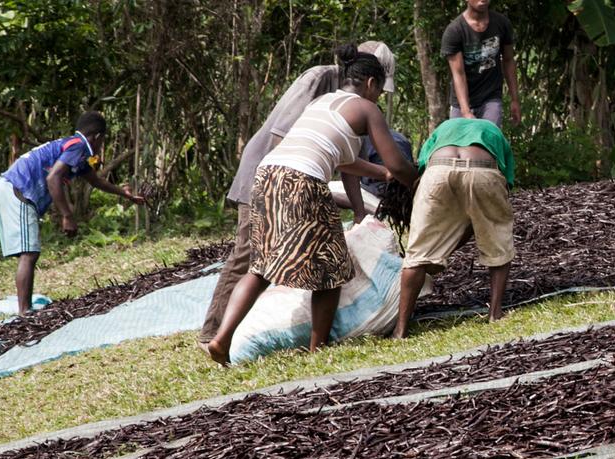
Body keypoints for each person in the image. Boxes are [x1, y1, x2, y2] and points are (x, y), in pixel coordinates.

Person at [202, 45, 416, 365]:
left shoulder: (322, 102)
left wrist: (378, 172)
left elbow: (344, 160)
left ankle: (221, 340)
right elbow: (398, 166)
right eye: (380, 90)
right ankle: (318, 350)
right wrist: (415, 180)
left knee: (262, 267)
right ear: (371, 83)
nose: (379, 97)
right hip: (302, 181)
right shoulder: (367, 109)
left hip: (267, 176)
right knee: (332, 269)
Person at [0, 111, 145, 315]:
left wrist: (125, 194)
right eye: (103, 140)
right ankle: (25, 311)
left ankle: (24, 308)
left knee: (28, 253)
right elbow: (53, 178)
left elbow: (95, 181)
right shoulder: (79, 146)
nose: (101, 146)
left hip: (11, 188)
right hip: (18, 189)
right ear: (97, 137)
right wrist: (67, 215)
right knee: (29, 253)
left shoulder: (74, 147)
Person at [393, 118, 515, 339]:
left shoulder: (443, 128)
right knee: (498, 240)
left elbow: (422, 169)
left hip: (437, 171)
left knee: (417, 255)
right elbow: (505, 183)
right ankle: (495, 313)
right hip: (483, 169)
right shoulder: (494, 131)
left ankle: (400, 330)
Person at [442, 0, 521, 126]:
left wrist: (515, 100)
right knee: (458, 142)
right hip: (461, 103)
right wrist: (466, 111)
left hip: (490, 98)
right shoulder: (455, 31)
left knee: (488, 138)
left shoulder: (501, 24)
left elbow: (508, 60)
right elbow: (459, 74)